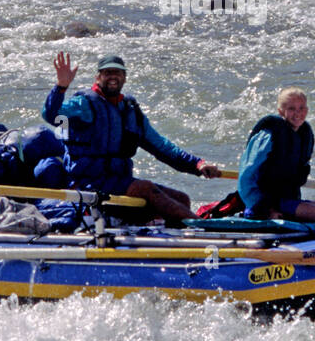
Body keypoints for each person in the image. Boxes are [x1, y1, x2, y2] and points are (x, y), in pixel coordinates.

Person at [42, 52, 220, 224]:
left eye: (118, 73)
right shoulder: (84, 104)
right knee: (145, 188)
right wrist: (61, 87)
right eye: (107, 72)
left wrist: (197, 164)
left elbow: (161, 146)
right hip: (88, 184)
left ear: (124, 78)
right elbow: (52, 115)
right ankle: (202, 228)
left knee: (182, 199)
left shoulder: (130, 110)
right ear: (98, 77)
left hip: (117, 182)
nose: (113, 76)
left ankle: (183, 234)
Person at [238, 88, 315, 239]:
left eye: (301, 108)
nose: (297, 113)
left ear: (307, 110)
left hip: (290, 200)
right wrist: (266, 210)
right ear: (281, 111)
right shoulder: (268, 136)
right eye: (291, 109)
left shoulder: (303, 134)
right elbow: (245, 178)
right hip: (268, 204)